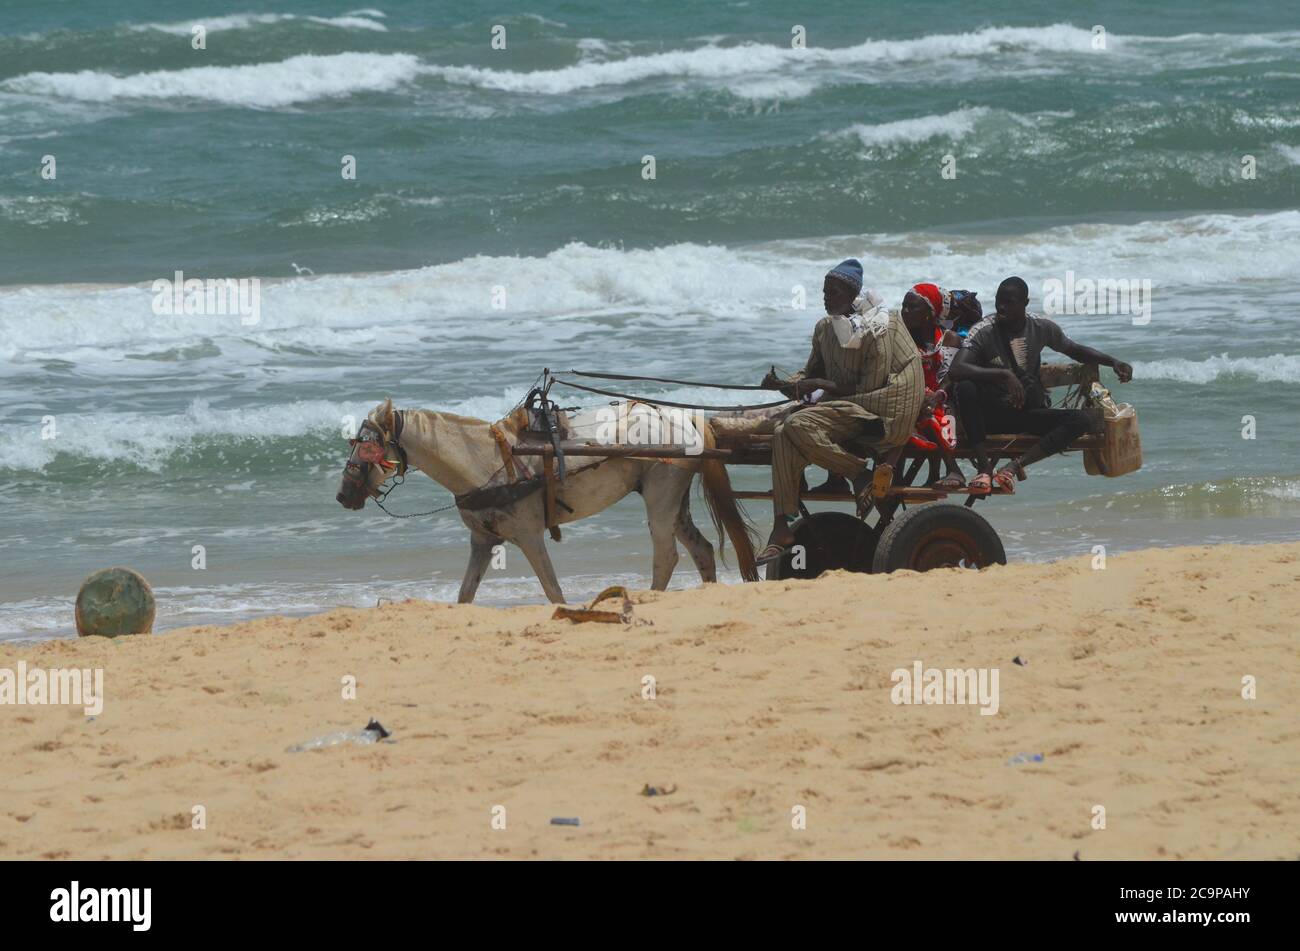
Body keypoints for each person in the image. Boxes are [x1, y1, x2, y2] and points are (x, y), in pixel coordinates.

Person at [756, 259, 925, 564]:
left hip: (884, 408)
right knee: (783, 430)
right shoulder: (825, 328)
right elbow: (810, 374)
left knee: (795, 424)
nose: (826, 298)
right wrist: (783, 384)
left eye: (833, 292)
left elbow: (870, 386)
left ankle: (859, 473)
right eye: (824, 292)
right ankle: (781, 527)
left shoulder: (877, 327)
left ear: (852, 295)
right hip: (849, 407)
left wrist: (820, 385)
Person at [946, 276, 1133, 494]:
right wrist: (1003, 375)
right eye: (998, 301)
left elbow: (1074, 350)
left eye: (1009, 302)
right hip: (990, 416)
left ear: (1025, 303)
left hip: (1025, 413)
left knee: (1081, 420)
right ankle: (984, 469)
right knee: (965, 387)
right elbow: (957, 369)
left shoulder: (1040, 327)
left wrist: (1113, 362)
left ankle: (1013, 467)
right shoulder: (984, 330)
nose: (1001, 307)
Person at [899, 285, 965, 488]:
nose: (905, 311)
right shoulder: (900, 338)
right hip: (910, 396)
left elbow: (949, 375)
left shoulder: (949, 339)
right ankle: (899, 478)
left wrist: (936, 395)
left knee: (935, 412)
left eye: (912, 307)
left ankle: (953, 469)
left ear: (930, 313)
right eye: (904, 306)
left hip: (942, 397)